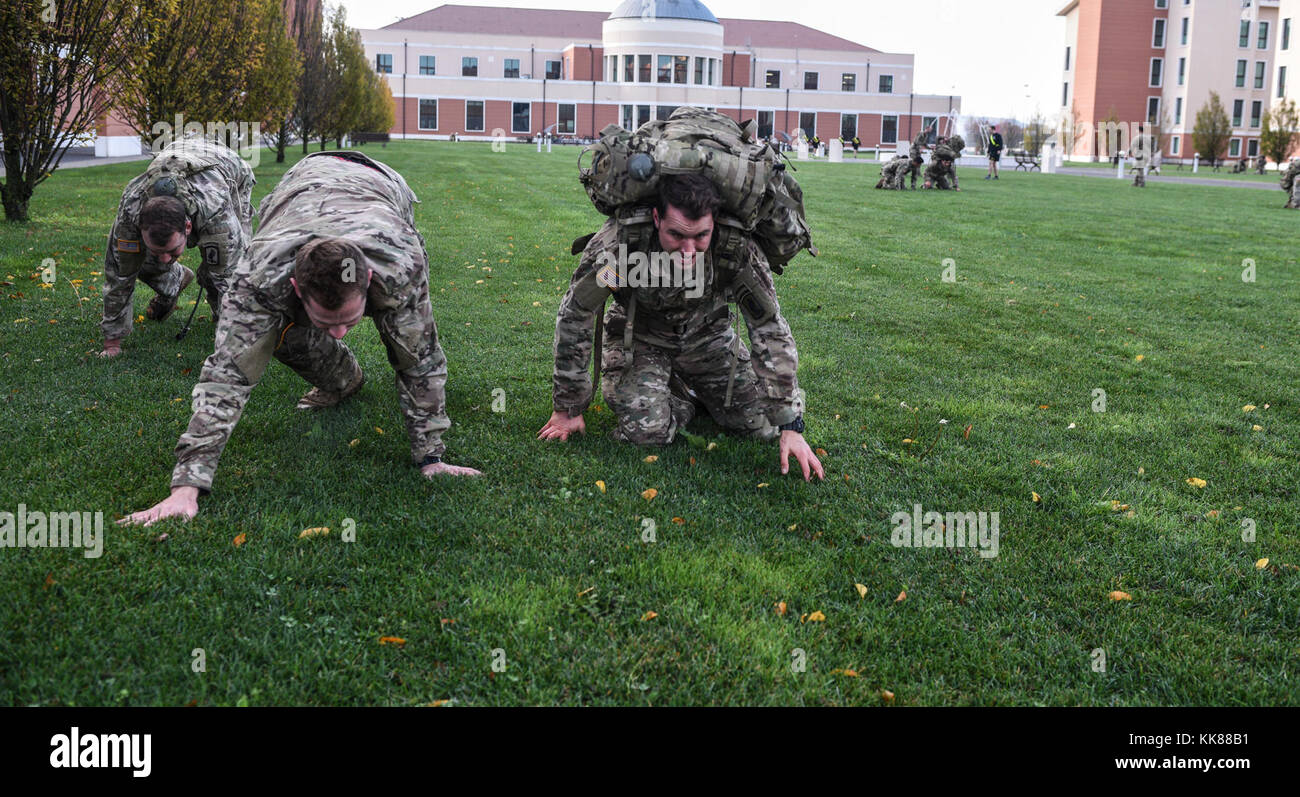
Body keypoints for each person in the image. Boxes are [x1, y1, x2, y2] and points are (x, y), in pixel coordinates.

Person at [119, 151, 481, 526]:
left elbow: (420, 359)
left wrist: (431, 458)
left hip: (379, 184)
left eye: (349, 319)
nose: (341, 333)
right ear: (293, 287)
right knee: (274, 337)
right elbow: (226, 376)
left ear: (370, 281)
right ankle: (342, 379)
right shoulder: (257, 279)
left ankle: (352, 352)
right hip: (300, 185)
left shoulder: (399, 264)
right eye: (326, 321)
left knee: (406, 338)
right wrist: (185, 488)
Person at [538, 172, 824, 481]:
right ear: (657, 217)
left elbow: (769, 329)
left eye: (700, 236)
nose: (688, 250)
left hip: (708, 338)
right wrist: (568, 407)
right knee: (646, 432)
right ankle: (675, 396)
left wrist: (790, 425)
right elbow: (577, 314)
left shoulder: (734, 249)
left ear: (714, 223)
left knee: (760, 426)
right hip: (641, 339)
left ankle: (686, 387)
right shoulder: (625, 249)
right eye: (676, 235)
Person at [99, 137, 255, 358]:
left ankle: (221, 317)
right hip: (178, 154)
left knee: (223, 266)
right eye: (157, 250)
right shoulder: (131, 210)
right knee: (134, 260)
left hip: (230, 172)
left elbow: (232, 279)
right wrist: (112, 342)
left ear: (188, 227)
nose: (165, 259)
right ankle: (176, 281)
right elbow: (118, 276)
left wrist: (234, 345)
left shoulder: (215, 211)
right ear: (139, 227)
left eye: (173, 251)